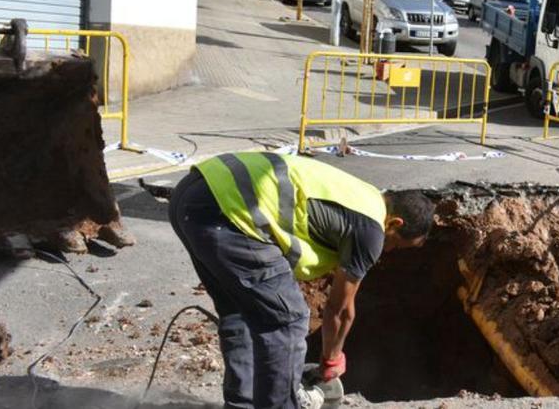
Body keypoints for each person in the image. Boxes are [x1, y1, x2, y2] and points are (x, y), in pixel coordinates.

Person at [168, 152, 435, 409]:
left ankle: (242, 404)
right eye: (396, 245)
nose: (388, 251)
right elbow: (340, 311)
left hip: (192, 196)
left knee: (240, 312)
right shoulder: (371, 229)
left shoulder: (363, 196)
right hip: (229, 214)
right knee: (288, 318)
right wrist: (332, 359)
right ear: (395, 223)